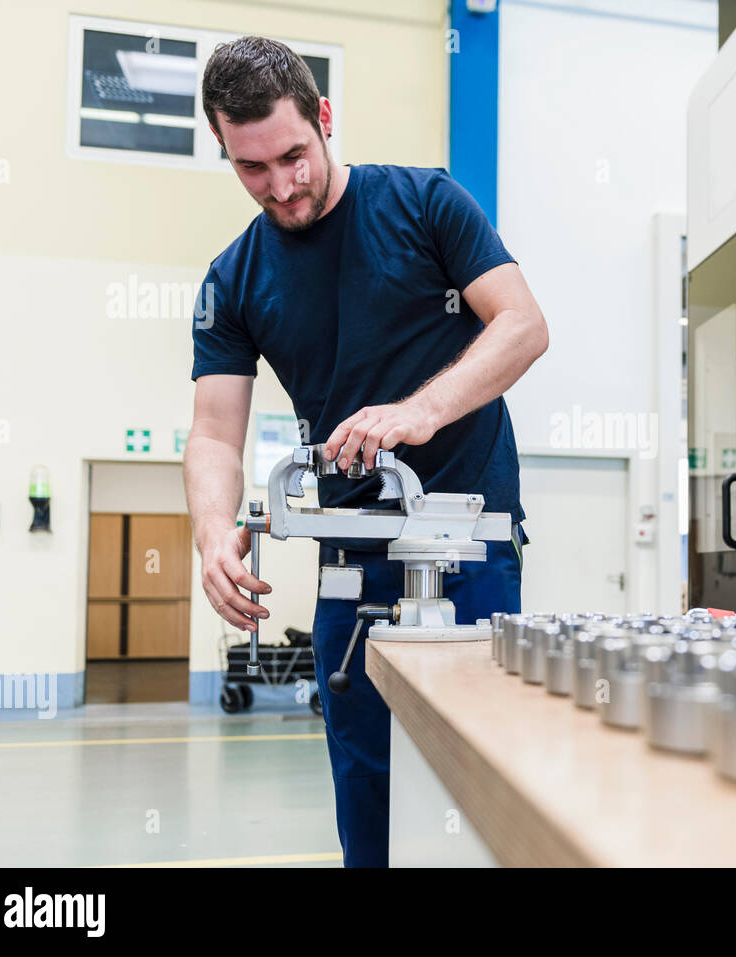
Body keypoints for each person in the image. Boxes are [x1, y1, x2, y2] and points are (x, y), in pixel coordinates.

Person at [183, 35, 548, 867]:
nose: (281, 186)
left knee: (482, 786)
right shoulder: (233, 280)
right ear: (224, 151)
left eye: (293, 156)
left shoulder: (426, 204)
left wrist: (420, 411)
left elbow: (524, 325)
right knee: (369, 790)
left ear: (325, 117)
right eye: (251, 168)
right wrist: (211, 535)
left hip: (471, 549)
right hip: (352, 568)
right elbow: (213, 432)